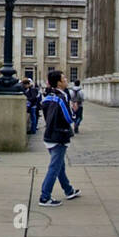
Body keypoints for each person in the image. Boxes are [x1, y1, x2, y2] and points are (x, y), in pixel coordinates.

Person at [35, 70, 82, 205]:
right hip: (59, 135)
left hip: (49, 134)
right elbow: (69, 118)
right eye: (64, 78)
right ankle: (45, 196)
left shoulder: (48, 97)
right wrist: (74, 111)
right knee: (55, 167)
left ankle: (68, 190)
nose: (67, 80)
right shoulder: (61, 98)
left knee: (60, 166)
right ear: (59, 83)